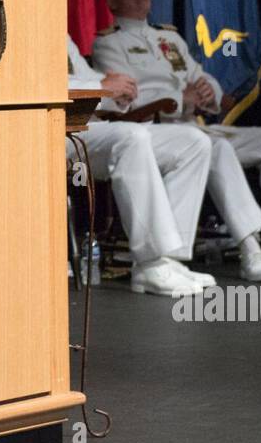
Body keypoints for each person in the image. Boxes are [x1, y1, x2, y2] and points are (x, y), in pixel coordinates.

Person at [93, 0, 261, 282]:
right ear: (112, 2)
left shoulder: (168, 36)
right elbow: (125, 97)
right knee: (218, 147)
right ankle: (251, 249)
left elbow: (199, 75)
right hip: (161, 130)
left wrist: (209, 91)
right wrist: (180, 98)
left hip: (195, 125)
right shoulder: (108, 44)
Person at [65, 35, 215, 295]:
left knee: (193, 141)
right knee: (132, 137)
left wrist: (119, 94)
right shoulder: (21, 21)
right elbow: (34, 83)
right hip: (53, 131)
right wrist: (100, 85)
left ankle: (170, 258)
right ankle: (150, 263)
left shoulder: (61, 33)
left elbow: (88, 77)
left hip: (89, 127)